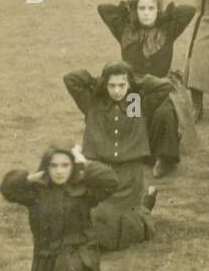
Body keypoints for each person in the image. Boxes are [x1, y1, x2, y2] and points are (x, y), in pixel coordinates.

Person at [0, 145, 118, 271]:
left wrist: (85, 163)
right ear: (46, 168)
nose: (60, 171)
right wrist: (28, 178)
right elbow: (7, 189)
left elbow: (111, 182)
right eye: (54, 166)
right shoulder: (36, 193)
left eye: (65, 165)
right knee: (64, 262)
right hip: (49, 252)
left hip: (81, 248)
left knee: (70, 266)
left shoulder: (83, 190)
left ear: (73, 167)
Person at [63, 63, 173, 251]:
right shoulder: (93, 103)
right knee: (95, 225)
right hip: (100, 172)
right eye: (111, 86)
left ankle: (144, 205)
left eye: (122, 85)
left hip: (129, 174)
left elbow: (164, 86)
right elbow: (71, 79)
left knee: (126, 233)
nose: (116, 91)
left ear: (128, 85)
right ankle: (146, 201)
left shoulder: (133, 103)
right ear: (105, 85)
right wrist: (97, 81)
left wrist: (137, 83)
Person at [95, 0, 198, 175]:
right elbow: (103, 9)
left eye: (151, 8)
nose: (147, 13)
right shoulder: (125, 28)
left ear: (157, 10)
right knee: (133, 116)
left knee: (164, 112)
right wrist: (126, 9)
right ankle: (142, 151)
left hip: (160, 85)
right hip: (133, 88)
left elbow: (189, 11)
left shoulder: (168, 27)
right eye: (141, 8)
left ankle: (165, 159)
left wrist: (165, 16)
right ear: (135, 10)